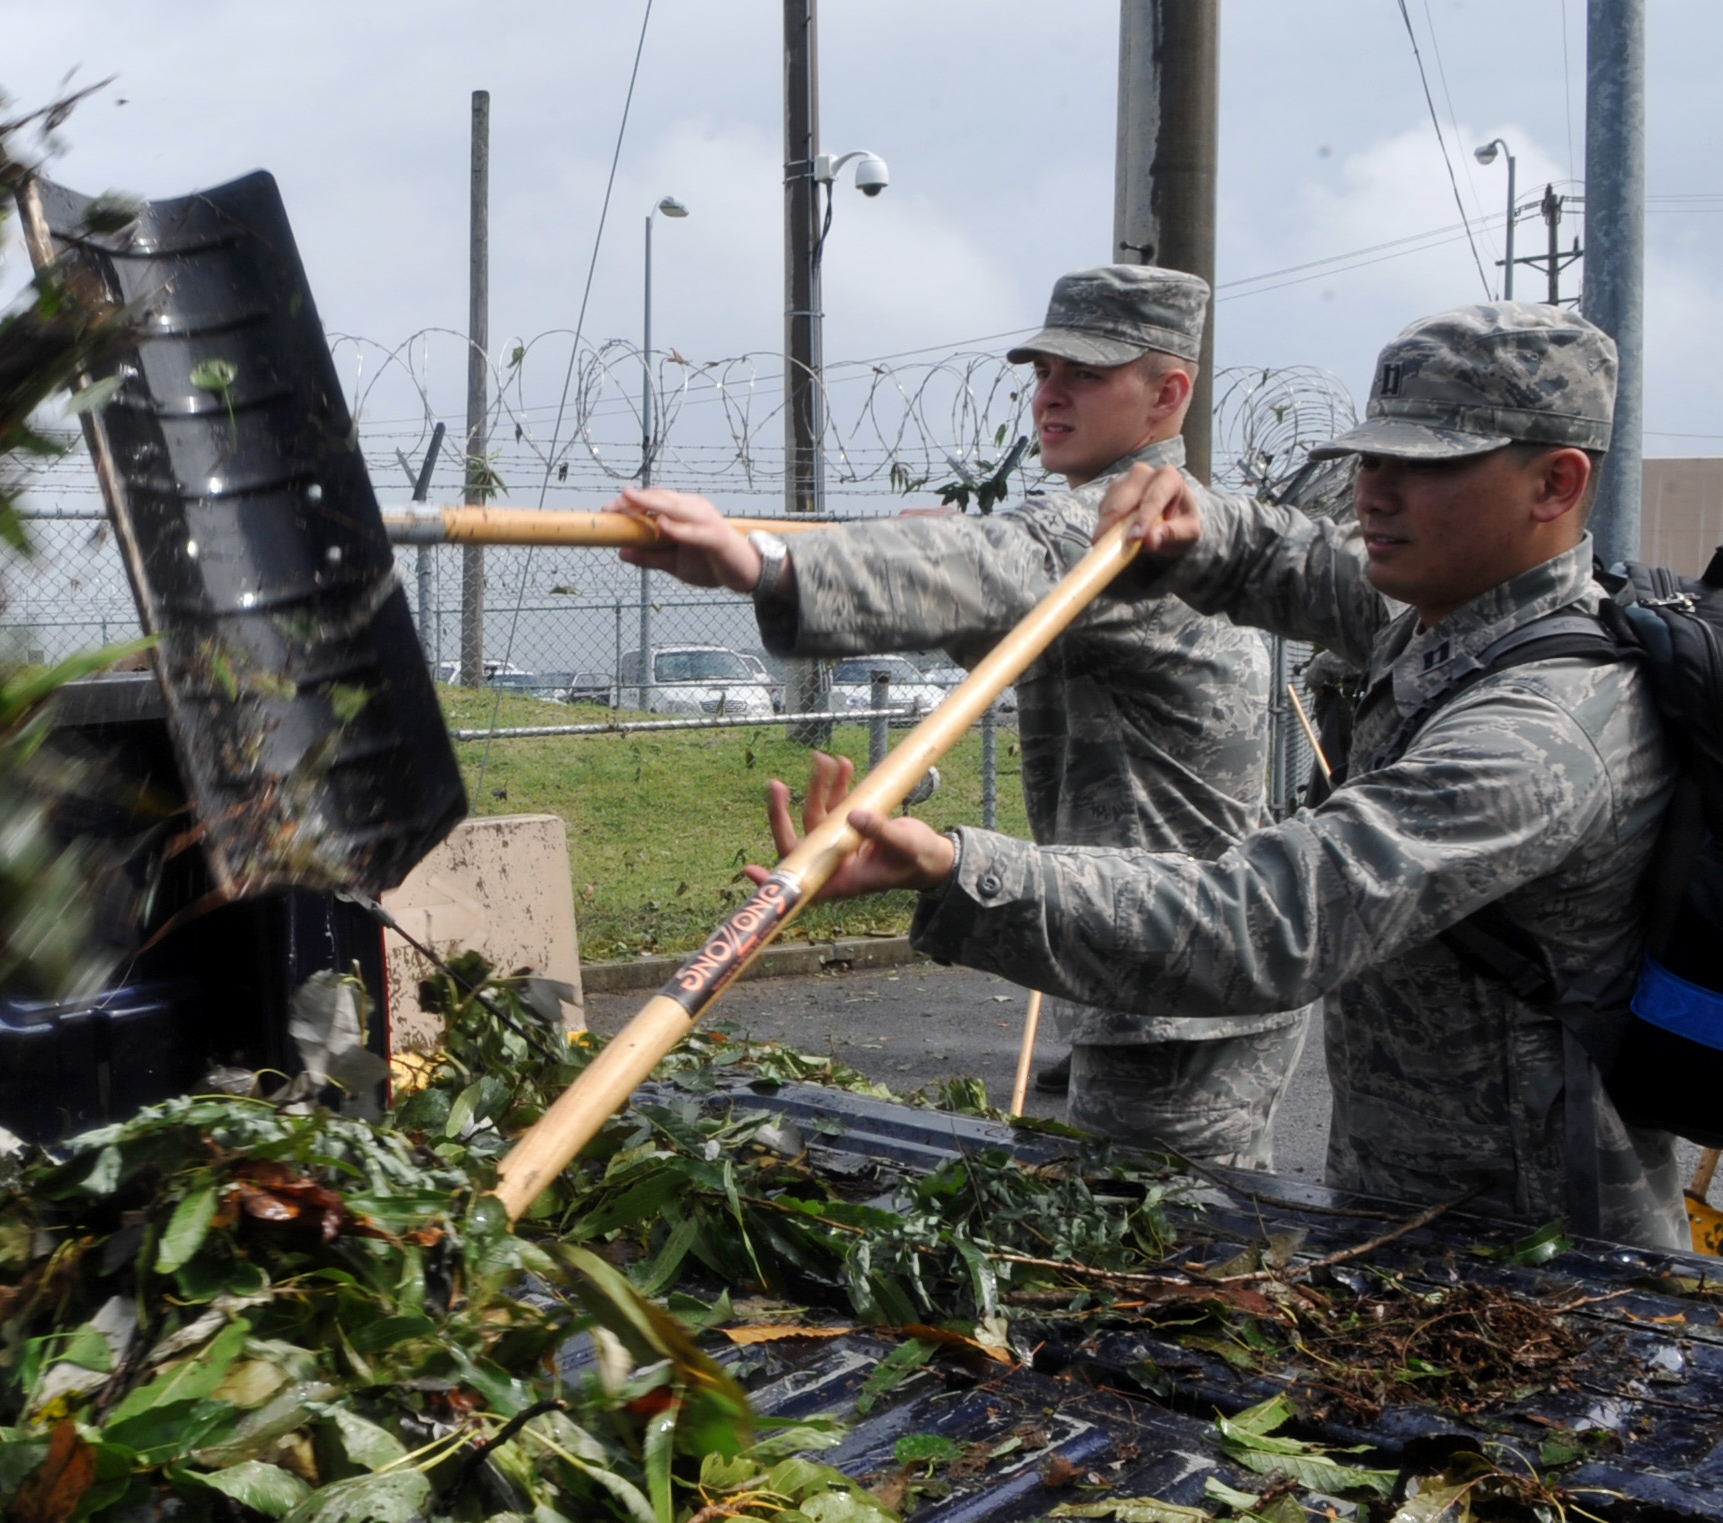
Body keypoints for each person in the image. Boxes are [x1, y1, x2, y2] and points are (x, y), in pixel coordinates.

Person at [748, 302, 1686, 1248]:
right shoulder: (1458, 620)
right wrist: (1199, 516)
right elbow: (1291, 560)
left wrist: (957, 871)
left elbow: (1268, 922)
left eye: (1427, 466)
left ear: (1556, 483)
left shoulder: (1537, 733)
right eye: (1369, 457)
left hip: (1548, 1261)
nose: (1374, 492)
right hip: (1416, 1216)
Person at [614, 265, 1308, 1170]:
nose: (1049, 394)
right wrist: (937, 563)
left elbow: (1003, 565)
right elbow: (1024, 620)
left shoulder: (1142, 536)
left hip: (1179, 992)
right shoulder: (1121, 539)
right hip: (1156, 966)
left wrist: (763, 561)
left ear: (1167, 393)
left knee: (1171, 1262)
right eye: (1042, 371)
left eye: (1086, 374)